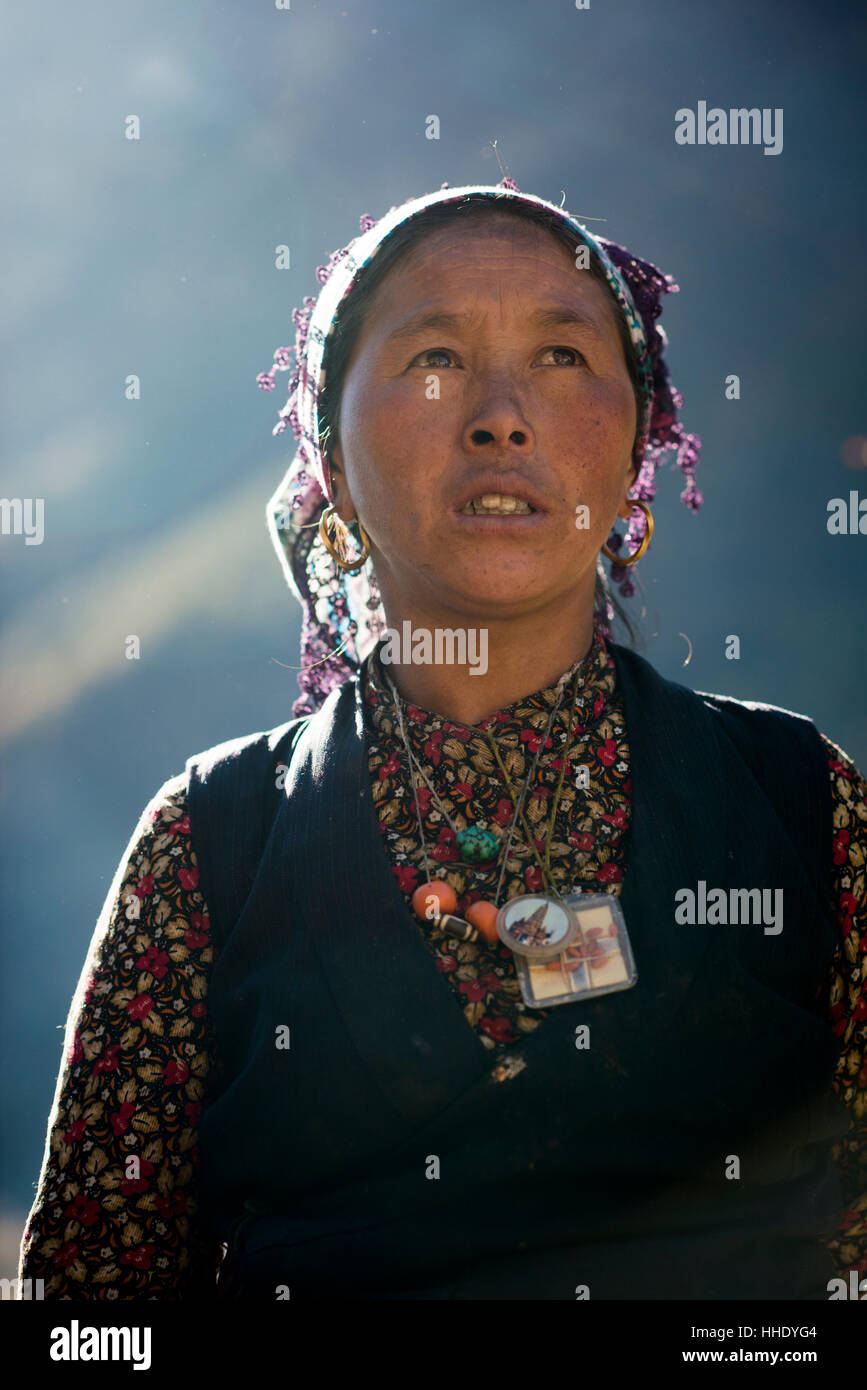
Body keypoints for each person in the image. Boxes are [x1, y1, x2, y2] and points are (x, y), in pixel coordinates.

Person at [19, 179, 867, 1300]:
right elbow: (92, 1304)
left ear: (636, 452)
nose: (501, 415)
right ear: (330, 454)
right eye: (433, 357)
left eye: (562, 355)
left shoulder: (796, 802)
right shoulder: (213, 845)